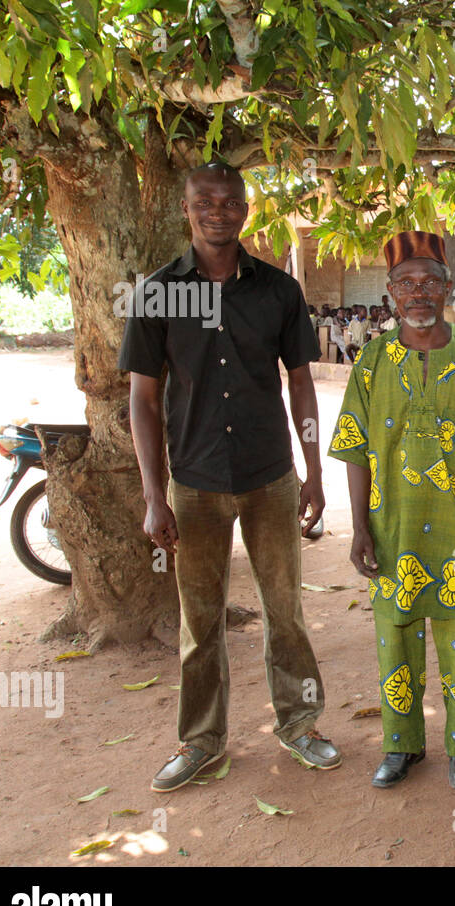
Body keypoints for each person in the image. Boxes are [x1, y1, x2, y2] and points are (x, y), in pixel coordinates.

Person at [118, 161, 339, 794]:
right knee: (199, 620)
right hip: (194, 483)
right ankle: (202, 743)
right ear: (186, 209)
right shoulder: (157, 293)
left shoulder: (278, 291)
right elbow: (143, 398)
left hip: (270, 475)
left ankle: (300, 725)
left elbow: (300, 382)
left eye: (230, 201)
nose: (219, 211)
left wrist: (313, 469)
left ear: (246, 210)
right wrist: (153, 496)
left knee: (286, 611)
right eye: (204, 201)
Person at [328, 230, 455, 790]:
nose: (419, 293)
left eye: (430, 282)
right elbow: (353, 445)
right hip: (395, 530)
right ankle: (401, 745)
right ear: (390, 293)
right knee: (395, 637)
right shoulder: (371, 359)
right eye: (406, 284)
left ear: (447, 290)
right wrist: (360, 527)